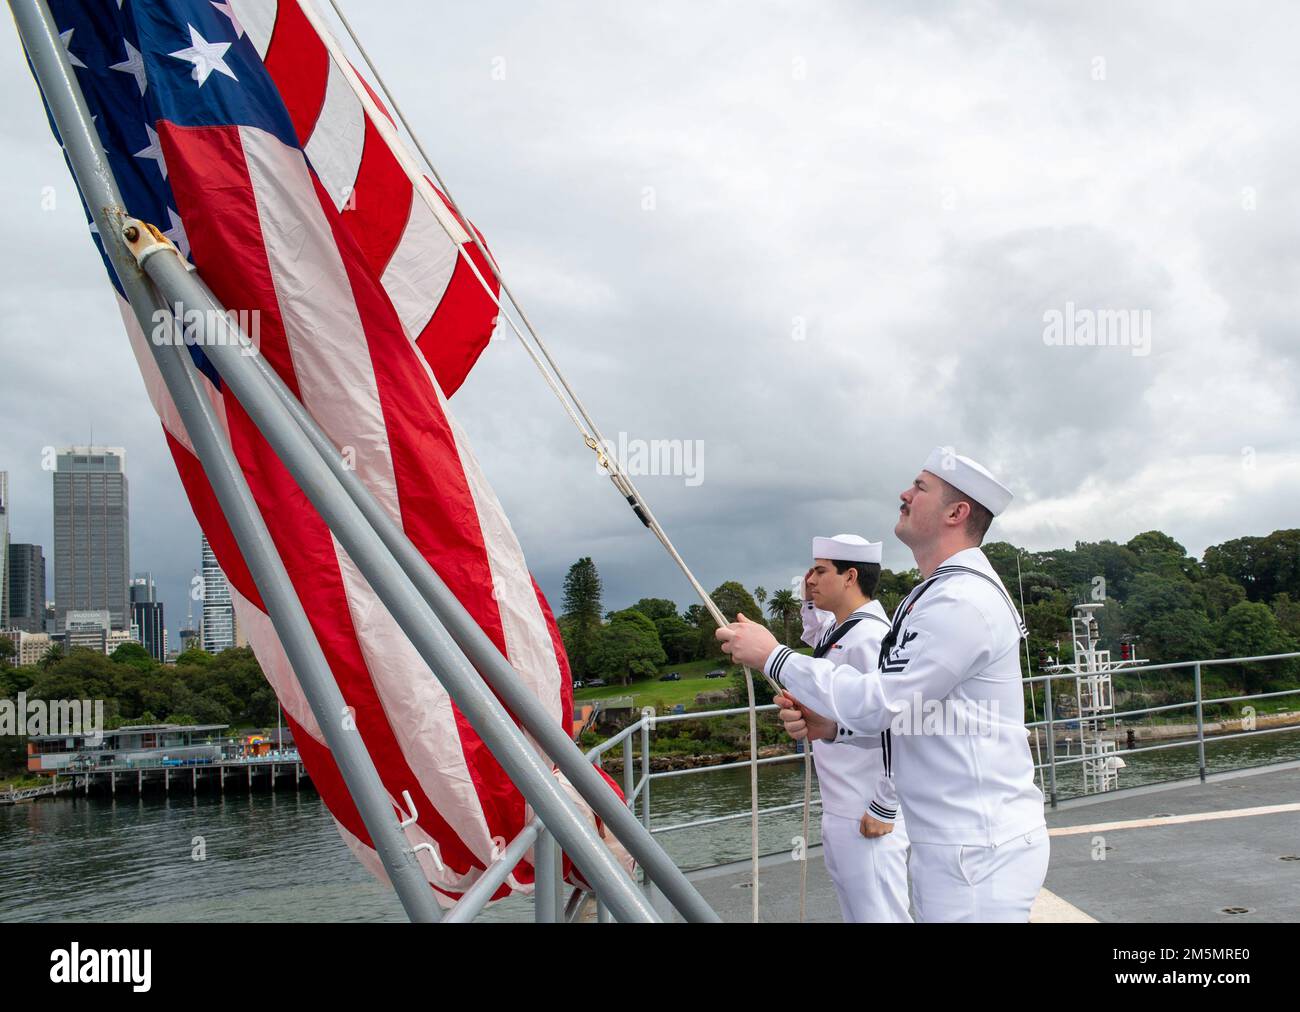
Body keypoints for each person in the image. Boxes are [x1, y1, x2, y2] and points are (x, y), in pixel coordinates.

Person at [717, 446, 1048, 922]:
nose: (904, 493)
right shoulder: (938, 593)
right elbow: (913, 717)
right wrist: (832, 730)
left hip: (976, 847)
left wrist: (773, 656)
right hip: (958, 843)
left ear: (957, 512)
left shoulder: (960, 602)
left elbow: (880, 703)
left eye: (920, 487)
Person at [799, 534, 910, 923]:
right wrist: (809, 599)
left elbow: (902, 725)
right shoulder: (843, 629)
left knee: (881, 917)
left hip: (866, 809)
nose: (809, 578)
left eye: (820, 570)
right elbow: (816, 636)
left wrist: (885, 804)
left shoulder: (872, 637)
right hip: (842, 804)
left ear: (849, 577)